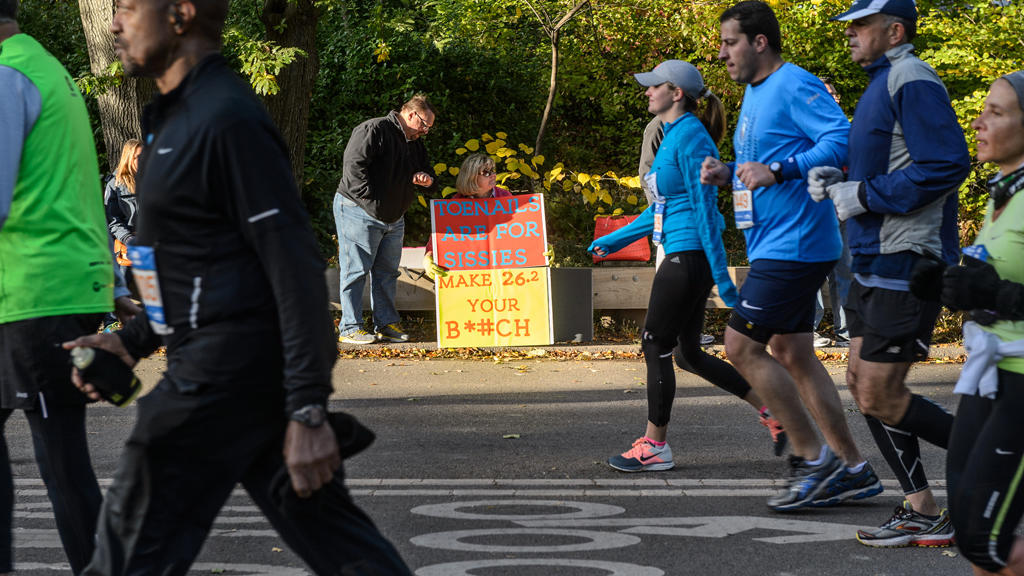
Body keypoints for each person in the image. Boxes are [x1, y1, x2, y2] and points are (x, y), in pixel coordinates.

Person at [61, 0, 412, 573]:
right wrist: (133, 340)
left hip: (220, 380)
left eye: (126, 7)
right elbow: (186, 266)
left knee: (123, 560)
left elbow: (295, 266)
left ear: (180, 14)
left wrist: (307, 410)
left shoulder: (226, 119)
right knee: (345, 551)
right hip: (243, 383)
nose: (114, 23)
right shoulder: (169, 122)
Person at [701, 0, 880, 511]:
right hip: (777, 242)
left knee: (740, 346)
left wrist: (778, 170)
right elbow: (764, 165)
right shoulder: (757, 92)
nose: (723, 53)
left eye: (730, 42)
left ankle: (813, 460)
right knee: (793, 354)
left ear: (759, 42)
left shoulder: (795, 83)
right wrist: (730, 170)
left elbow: (841, 141)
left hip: (795, 244)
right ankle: (852, 469)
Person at [812, 0, 970, 547]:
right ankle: (922, 510)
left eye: (861, 25)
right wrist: (842, 175)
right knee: (862, 385)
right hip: (871, 261)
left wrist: (863, 194)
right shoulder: (881, 83)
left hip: (906, 261)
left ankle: (1005, 453)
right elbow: (892, 161)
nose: (850, 34)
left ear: (894, 30)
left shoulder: (912, 78)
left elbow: (947, 164)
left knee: (880, 393)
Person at [588, 60, 786, 472]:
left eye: (653, 86)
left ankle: (655, 445)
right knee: (688, 355)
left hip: (688, 255)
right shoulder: (675, 136)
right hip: (683, 250)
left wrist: (722, 279)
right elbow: (663, 208)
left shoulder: (691, 137)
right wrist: (612, 240)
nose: (646, 92)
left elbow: (705, 210)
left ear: (676, 93)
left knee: (655, 343)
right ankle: (770, 409)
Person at [0, 3, 138, 573]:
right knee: (61, 457)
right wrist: (109, 282)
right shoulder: (45, 68)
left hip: (33, 292)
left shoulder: (8, 75)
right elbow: (75, 191)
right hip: (55, 289)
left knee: (62, 461)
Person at [938, 70, 1024, 576]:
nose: (978, 121)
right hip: (988, 373)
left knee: (983, 540)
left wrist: (997, 294)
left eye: (995, 112)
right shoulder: (1004, 188)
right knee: (970, 529)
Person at [335, 95, 437, 344]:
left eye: (429, 128)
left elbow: (427, 170)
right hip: (358, 211)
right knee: (355, 270)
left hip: (394, 217)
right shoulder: (374, 129)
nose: (425, 131)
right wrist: (372, 203)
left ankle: (386, 324)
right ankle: (349, 327)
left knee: (387, 273)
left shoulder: (413, 142)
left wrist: (426, 178)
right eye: (424, 124)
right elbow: (353, 169)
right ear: (411, 114)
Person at [640, 116, 716, 347]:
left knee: (692, 276)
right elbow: (647, 172)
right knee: (671, 274)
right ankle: (666, 333)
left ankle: (687, 333)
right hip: (670, 215)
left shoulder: (691, 126)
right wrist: (662, 211)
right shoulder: (657, 127)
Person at [422, 153, 512, 280]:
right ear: (472, 178)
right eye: (486, 173)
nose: (493, 175)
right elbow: (442, 235)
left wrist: (539, 243)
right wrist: (428, 256)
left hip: (501, 266)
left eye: (493, 171)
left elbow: (520, 228)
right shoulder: (456, 203)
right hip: (471, 271)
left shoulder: (505, 196)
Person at [812, 80, 851, 349]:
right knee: (813, 270)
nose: (831, 99)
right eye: (825, 95)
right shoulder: (806, 128)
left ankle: (847, 332)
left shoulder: (848, 128)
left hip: (844, 208)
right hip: (814, 208)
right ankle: (808, 329)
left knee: (845, 269)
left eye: (834, 94)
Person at [102, 138, 142, 329]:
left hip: (152, 239)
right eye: (138, 157)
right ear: (128, 157)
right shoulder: (115, 183)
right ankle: (111, 323)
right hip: (127, 242)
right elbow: (113, 220)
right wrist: (128, 239)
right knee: (119, 284)